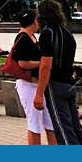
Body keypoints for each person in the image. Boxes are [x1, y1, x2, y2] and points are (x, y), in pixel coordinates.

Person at [32, 0, 82, 145]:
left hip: (55, 86)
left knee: (62, 128)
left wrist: (38, 93)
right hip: (69, 83)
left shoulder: (47, 34)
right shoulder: (67, 34)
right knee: (75, 126)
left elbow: (46, 65)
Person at [5, 10, 52, 145]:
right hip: (28, 85)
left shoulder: (33, 37)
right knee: (35, 124)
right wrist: (43, 63)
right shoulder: (23, 38)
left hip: (38, 84)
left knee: (50, 123)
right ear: (33, 21)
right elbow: (23, 63)